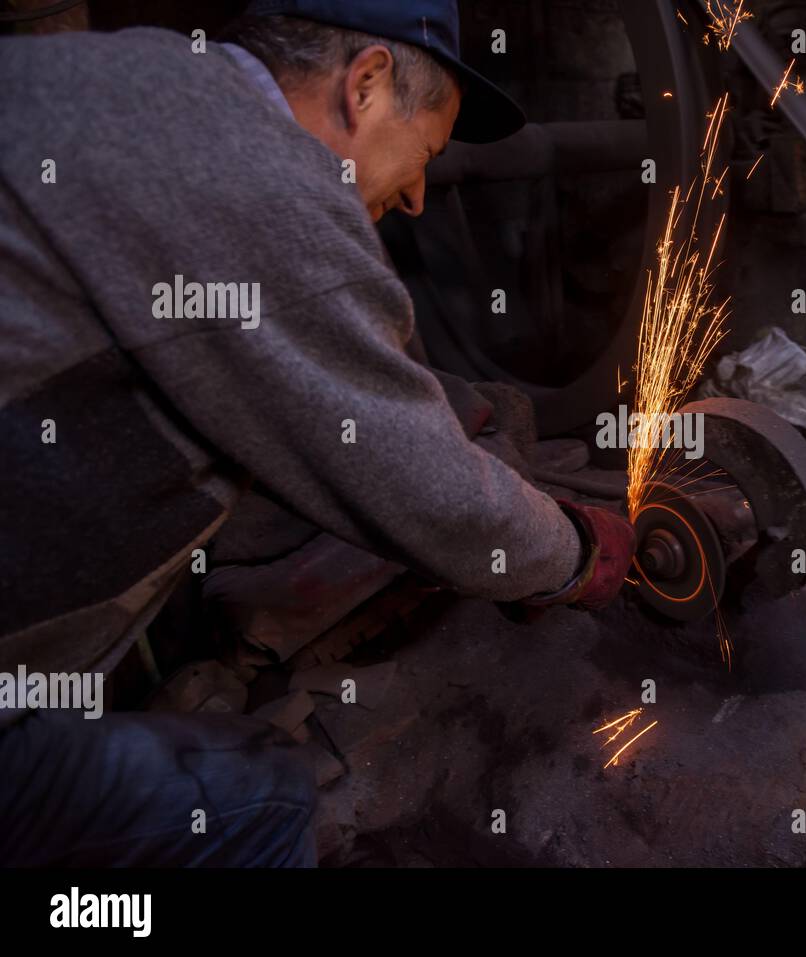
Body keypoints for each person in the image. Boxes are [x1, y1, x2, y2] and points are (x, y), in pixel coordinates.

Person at [0, 0, 635, 866]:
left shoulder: (136, 80)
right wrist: (570, 551)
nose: (416, 196)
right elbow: (429, 493)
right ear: (367, 83)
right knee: (260, 799)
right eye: (427, 153)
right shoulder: (266, 180)